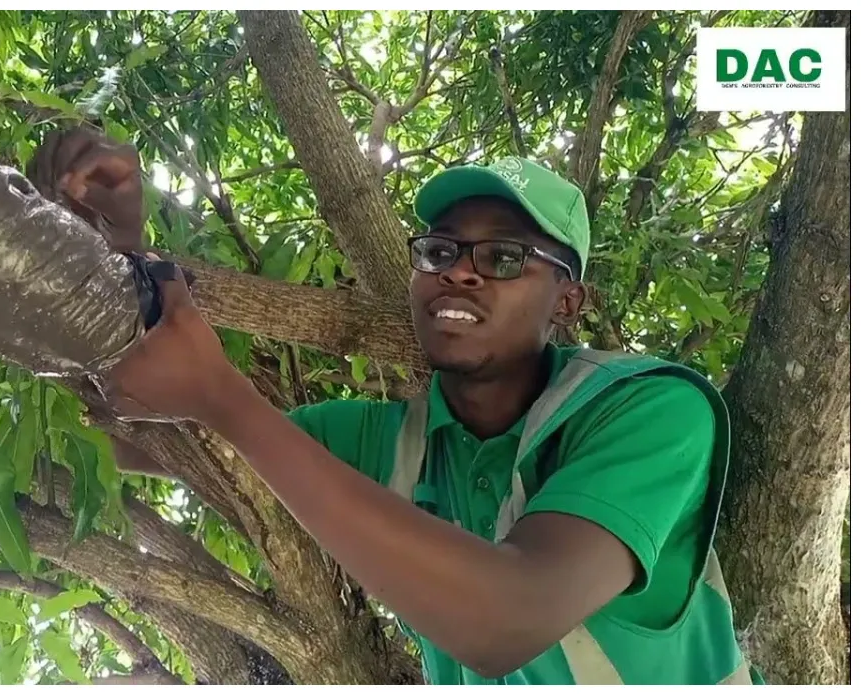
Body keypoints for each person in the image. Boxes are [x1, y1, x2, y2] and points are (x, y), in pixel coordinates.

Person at [39, 128, 757, 685]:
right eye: (440, 250)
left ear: (568, 301)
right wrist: (105, 259)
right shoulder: (377, 440)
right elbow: (135, 439)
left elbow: (506, 618)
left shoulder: (650, 409)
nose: (461, 270)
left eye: (504, 257)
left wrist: (226, 398)